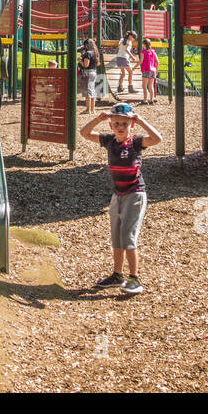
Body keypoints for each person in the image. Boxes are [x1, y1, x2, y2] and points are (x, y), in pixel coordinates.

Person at [80, 102, 163, 297]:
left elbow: (157, 139)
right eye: (116, 123)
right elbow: (84, 133)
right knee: (117, 236)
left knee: (128, 237)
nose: (120, 127)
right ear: (110, 126)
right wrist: (98, 119)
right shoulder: (109, 141)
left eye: (124, 124)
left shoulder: (136, 142)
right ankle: (117, 275)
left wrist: (141, 121)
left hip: (134, 193)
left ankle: (134, 278)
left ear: (131, 126)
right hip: (117, 194)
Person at [79, 38, 100, 114]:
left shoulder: (88, 53)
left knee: (87, 91)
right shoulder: (95, 52)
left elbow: (86, 65)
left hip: (87, 73)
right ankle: (92, 109)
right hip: (94, 72)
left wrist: (80, 60)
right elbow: (98, 64)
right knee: (92, 90)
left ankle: (88, 110)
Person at [139, 39, 159, 105]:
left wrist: (135, 66)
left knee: (144, 86)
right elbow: (157, 62)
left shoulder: (143, 52)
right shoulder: (153, 51)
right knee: (151, 85)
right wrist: (156, 70)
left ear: (144, 44)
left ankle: (145, 100)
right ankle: (151, 100)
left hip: (146, 69)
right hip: (153, 70)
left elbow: (141, 61)